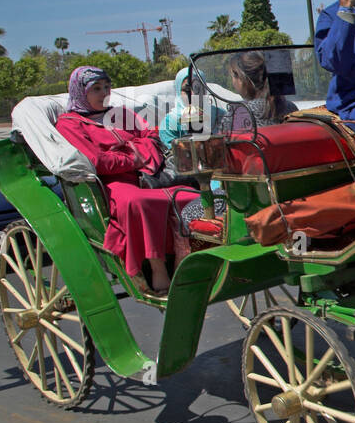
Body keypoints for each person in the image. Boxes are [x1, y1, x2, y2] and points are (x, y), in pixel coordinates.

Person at [55, 67, 197, 293]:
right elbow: (97, 161)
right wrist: (135, 156)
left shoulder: (120, 114)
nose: (105, 94)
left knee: (191, 196)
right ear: (81, 92)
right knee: (137, 203)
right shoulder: (70, 123)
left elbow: (151, 136)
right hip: (113, 183)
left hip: (149, 175)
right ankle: (157, 267)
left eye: (107, 87)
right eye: (97, 89)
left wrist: (133, 152)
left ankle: (186, 256)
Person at [227, 51, 295, 127]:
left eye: (232, 76)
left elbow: (221, 137)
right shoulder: (290, 107)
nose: (233, 82)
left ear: (242, 78)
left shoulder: (239, 111)